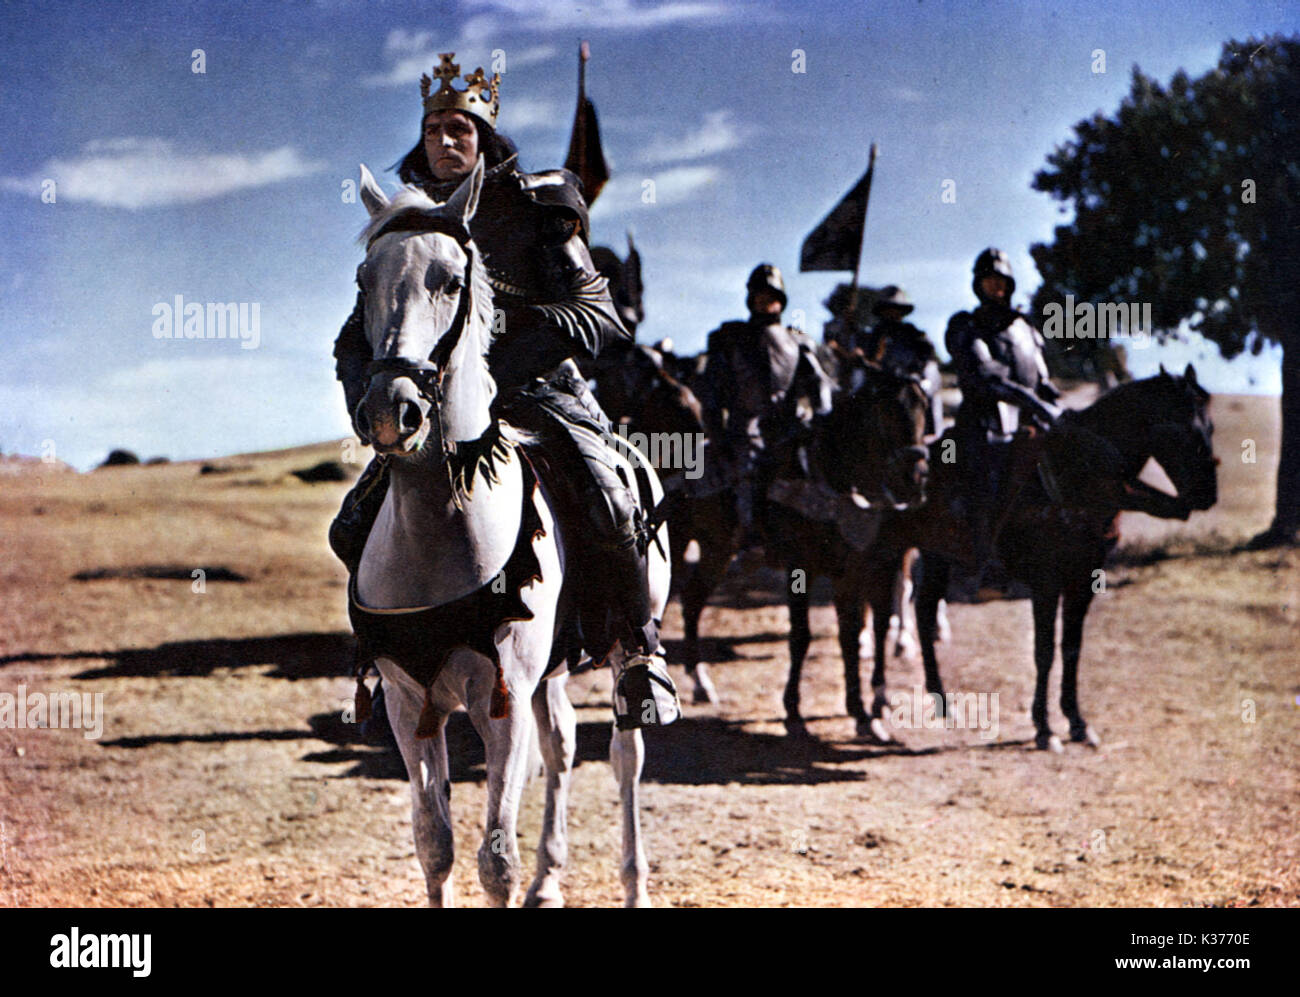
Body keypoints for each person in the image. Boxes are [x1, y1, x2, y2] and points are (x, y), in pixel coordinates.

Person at [330, 53, 679, 729]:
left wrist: (503, 367)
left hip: (541, 391)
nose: (446, 141)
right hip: (437, 408)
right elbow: (356, 338)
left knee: (609, 493)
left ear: (484, 135)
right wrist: (367, 399)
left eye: (461, 128)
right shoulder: (407, 228)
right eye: (435, 129)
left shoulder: (535, 206)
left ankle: (640, 651)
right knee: (353, 521)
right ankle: (385, 652)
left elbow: (598, 313)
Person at [944, 248, 1061, 596]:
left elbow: (1043, 380)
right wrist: (1036, 403)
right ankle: (986, 563)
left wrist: (1054, 407)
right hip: (985, 422)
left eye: (1001, 280)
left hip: (1029, 420)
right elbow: (988, 376)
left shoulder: (1025, 328)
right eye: (989, 280)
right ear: (978, 285)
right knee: (988, 477)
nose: (996, 286)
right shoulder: (966, 324)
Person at [697, 264, 834, 548]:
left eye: (771, 295)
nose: (765, 301)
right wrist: (717, 435)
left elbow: (818, 383)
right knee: (749, 468)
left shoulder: (798, 341)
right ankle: (749, 536)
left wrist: (821, 416)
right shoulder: (729, 338)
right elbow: (710, 392)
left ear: (781, 300)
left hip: (791, 424)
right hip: (746, 427)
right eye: (759, 295)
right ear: (750, 299)